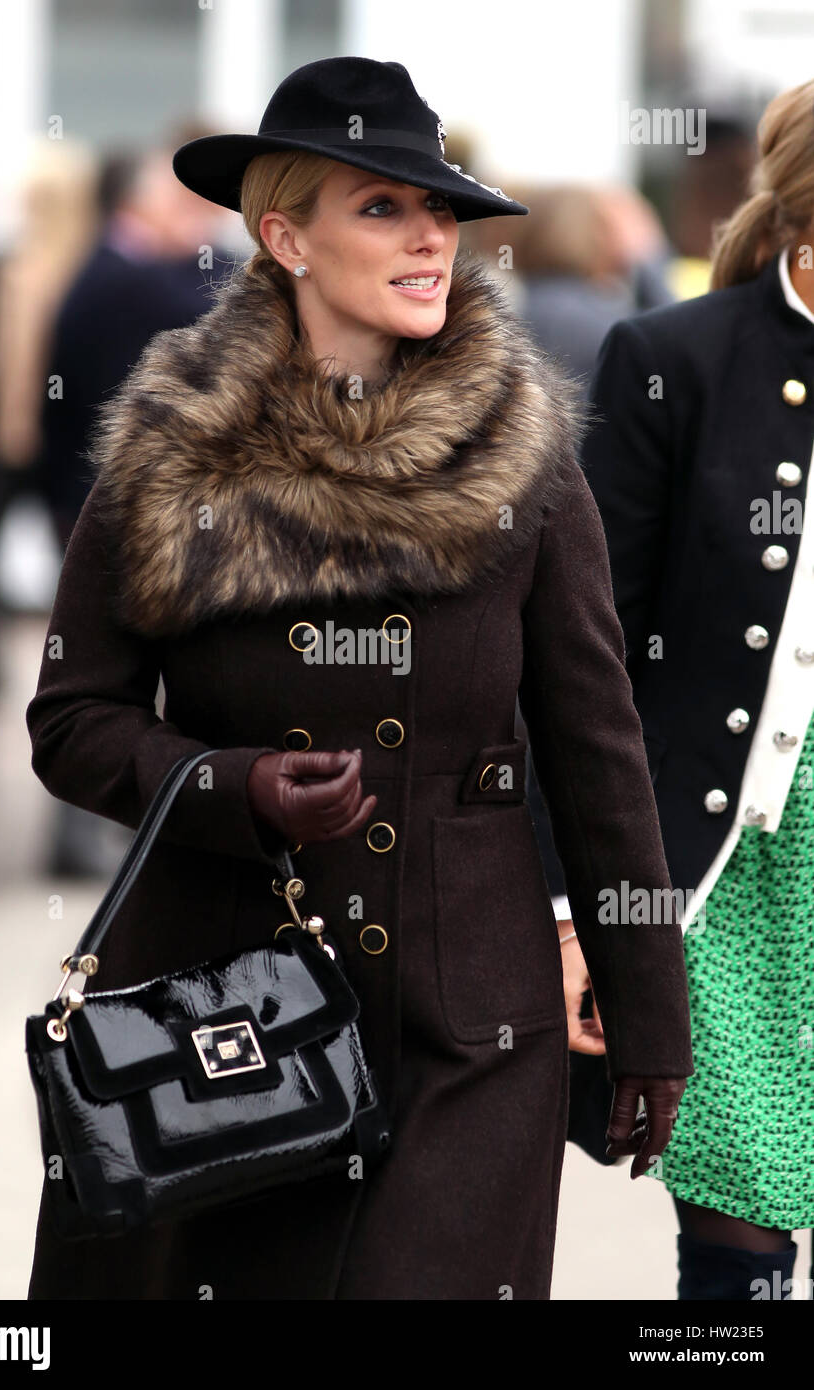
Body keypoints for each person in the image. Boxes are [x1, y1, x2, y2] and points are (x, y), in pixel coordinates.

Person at [24, 56, 692, 1301]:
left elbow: (599, 748)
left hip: (471, 1029)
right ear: (285, 235)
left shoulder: (525, 451)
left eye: (440, 208)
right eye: (382, 206)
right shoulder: (173, 444)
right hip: (230, 1022)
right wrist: (234, 786)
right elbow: (71, 719)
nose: (431, 234)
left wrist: (653, 1019)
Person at [572, 77, 814, 1299]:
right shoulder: (674, 361)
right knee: (740, 1224)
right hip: (727, 853)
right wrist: (577, 912)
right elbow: (584, 654)